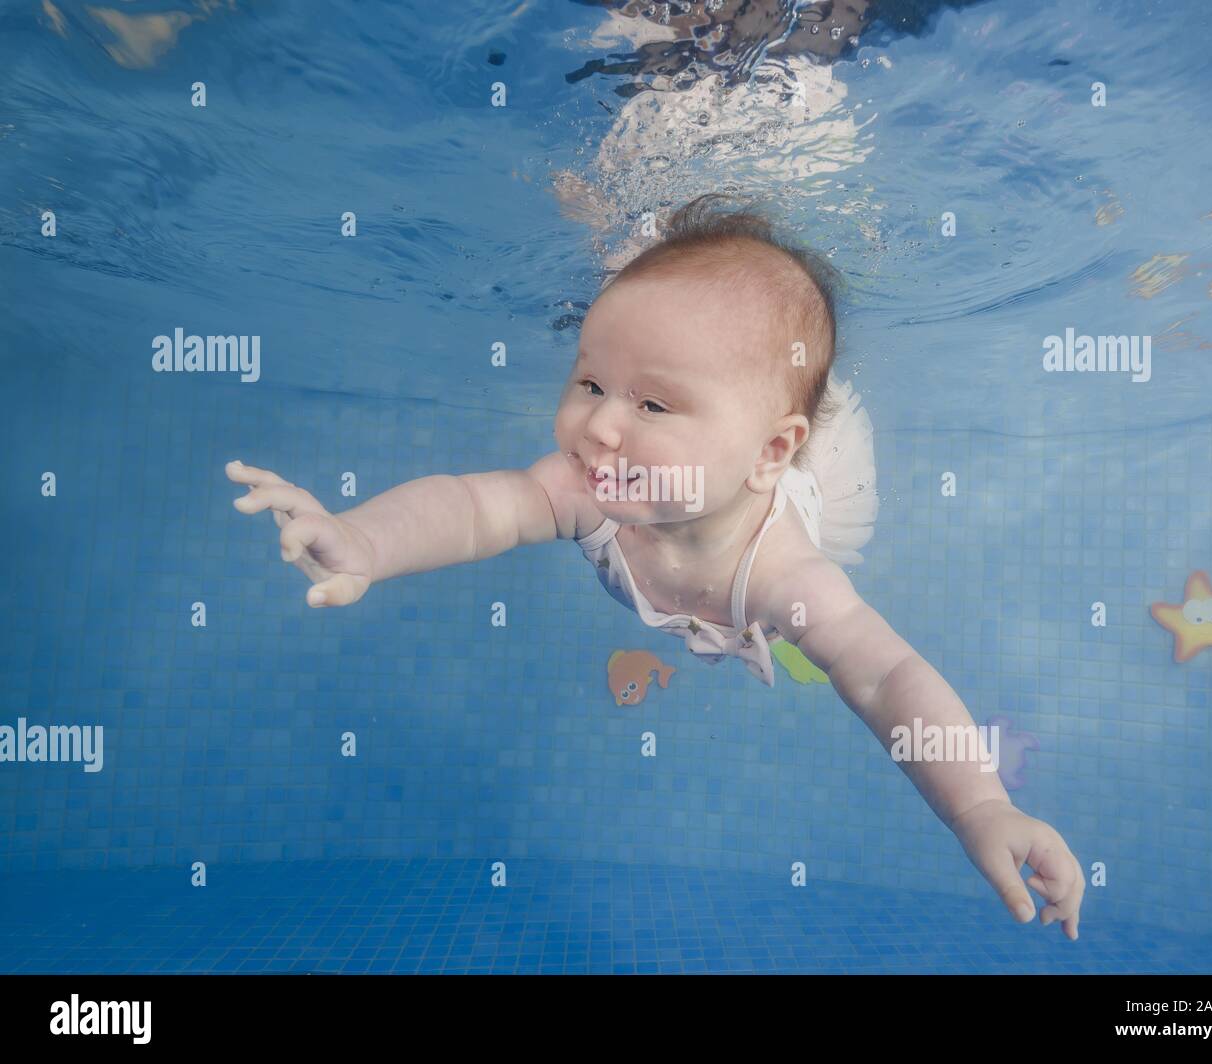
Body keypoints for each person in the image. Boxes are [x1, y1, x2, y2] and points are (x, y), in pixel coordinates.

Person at [226, 194, 1084, 939]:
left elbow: (885, 672)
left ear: (765, 452)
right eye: (590, 383)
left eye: (652, 403)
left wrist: (981, 807)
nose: (598, 427)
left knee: (806, 578)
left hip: (814, 483)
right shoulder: (588, 486)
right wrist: (368, 543)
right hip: (737, 470)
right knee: (672, 308)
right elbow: (475, 507)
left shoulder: (789, 572)